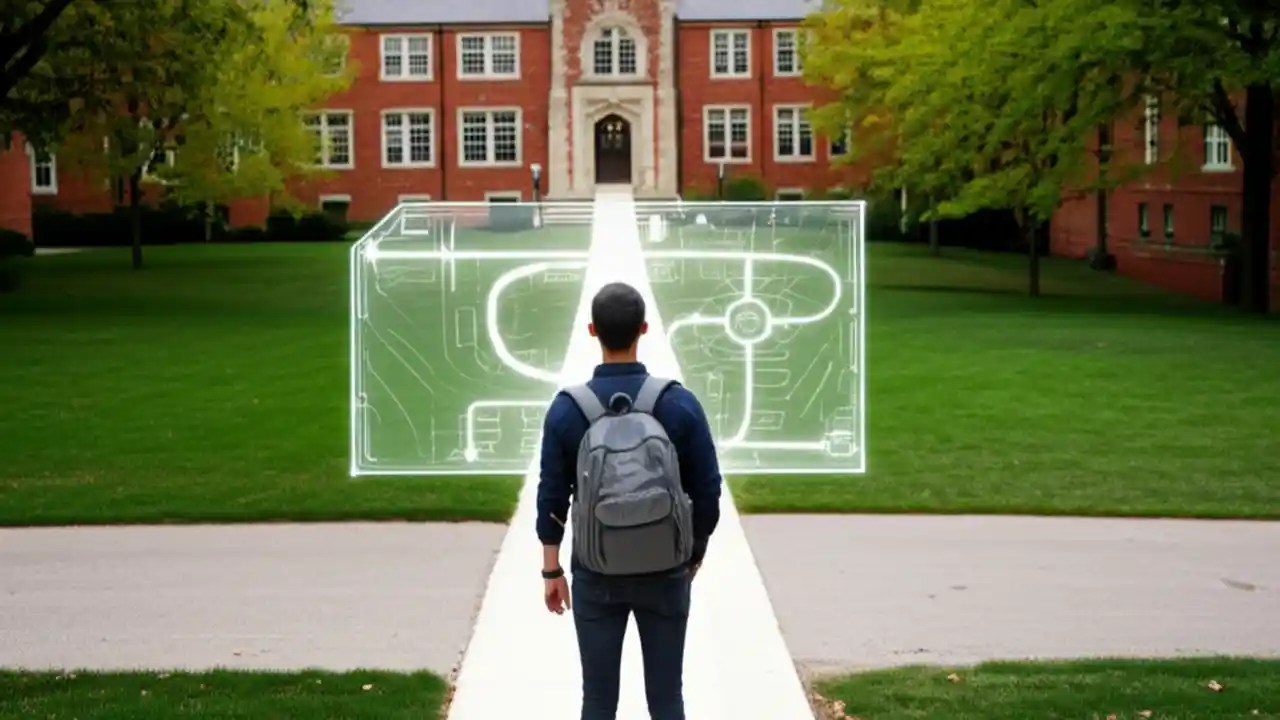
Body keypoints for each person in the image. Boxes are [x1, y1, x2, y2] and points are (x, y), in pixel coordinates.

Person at [536, 282, 723, 720]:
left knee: (598, 699)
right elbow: (708, 490)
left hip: (596, 573)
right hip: (666, 570)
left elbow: (552, 497)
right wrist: (692, 555)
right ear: (644, 328)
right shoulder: (678, 404)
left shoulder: (567, 410)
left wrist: (551, 569)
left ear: (591, 330)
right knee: (667, 698)